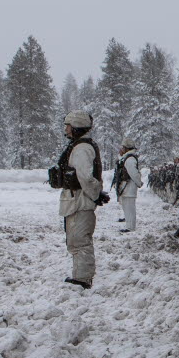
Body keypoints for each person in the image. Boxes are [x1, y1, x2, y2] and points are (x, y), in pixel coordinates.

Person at [52, 109, 108, 289]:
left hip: (79, 200)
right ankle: (81, 275)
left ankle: (82, 278)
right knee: (76, 238)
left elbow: (84, 176)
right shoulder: (79, 146)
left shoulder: (82, 148)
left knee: (79, 239)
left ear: (76, 126)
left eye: (68, 125)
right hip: (77, 199)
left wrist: (95, 194)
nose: (66, 129)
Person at [111, 141, 142, 232]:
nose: (122, 149)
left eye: (123, 147)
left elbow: (134, 173)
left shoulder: (130, 159)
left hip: (129, 186)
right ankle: (129, 224)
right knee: (126, 206)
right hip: (126, 187)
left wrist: (139, 182)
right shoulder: (127, 158)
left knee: (129, 207)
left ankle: (131, 227)